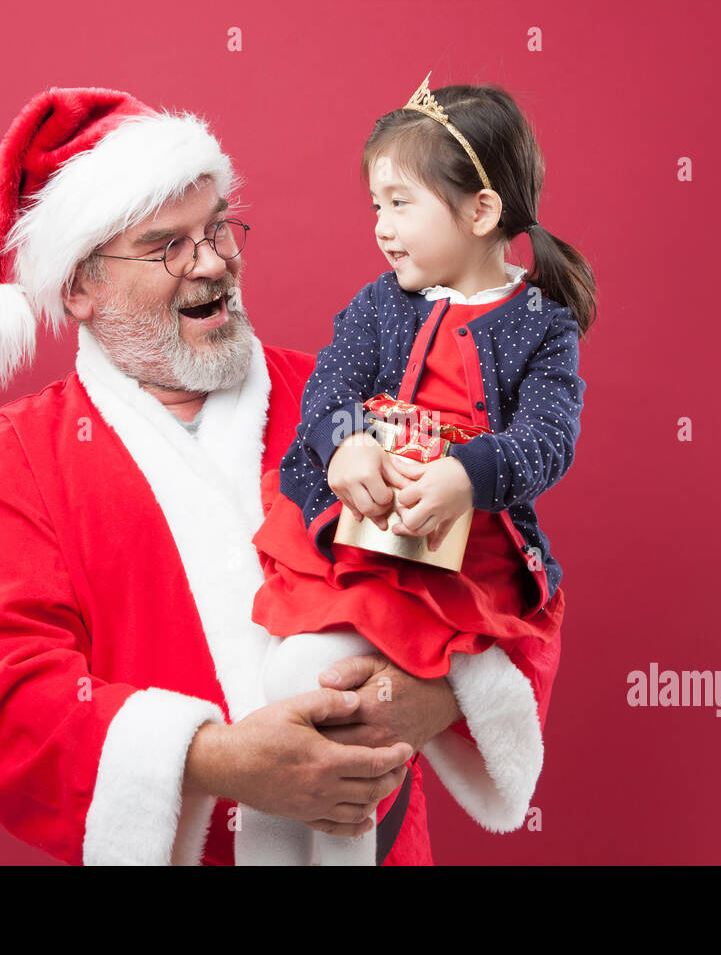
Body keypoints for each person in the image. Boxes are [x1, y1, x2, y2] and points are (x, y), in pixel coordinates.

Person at [0, 86, 563, 866]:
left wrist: (436, 697)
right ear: (78, 287)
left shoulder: (354, 400)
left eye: (218, 226)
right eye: (168, 246)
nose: (214, 261)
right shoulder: (15, 462)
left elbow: (511, 567)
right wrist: (218, 759)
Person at [239, 73, 595, 864]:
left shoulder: (541, 325)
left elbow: (548, 438)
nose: (380, 226)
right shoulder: (379, 304)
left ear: (481, 211)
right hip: (356, 543)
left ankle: (471, 692)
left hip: (462, 566)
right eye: (375, 205)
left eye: (401, 203)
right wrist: (349, 445)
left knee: (315, 695)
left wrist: (468, 475)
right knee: (300, 693)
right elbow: (328, 389)